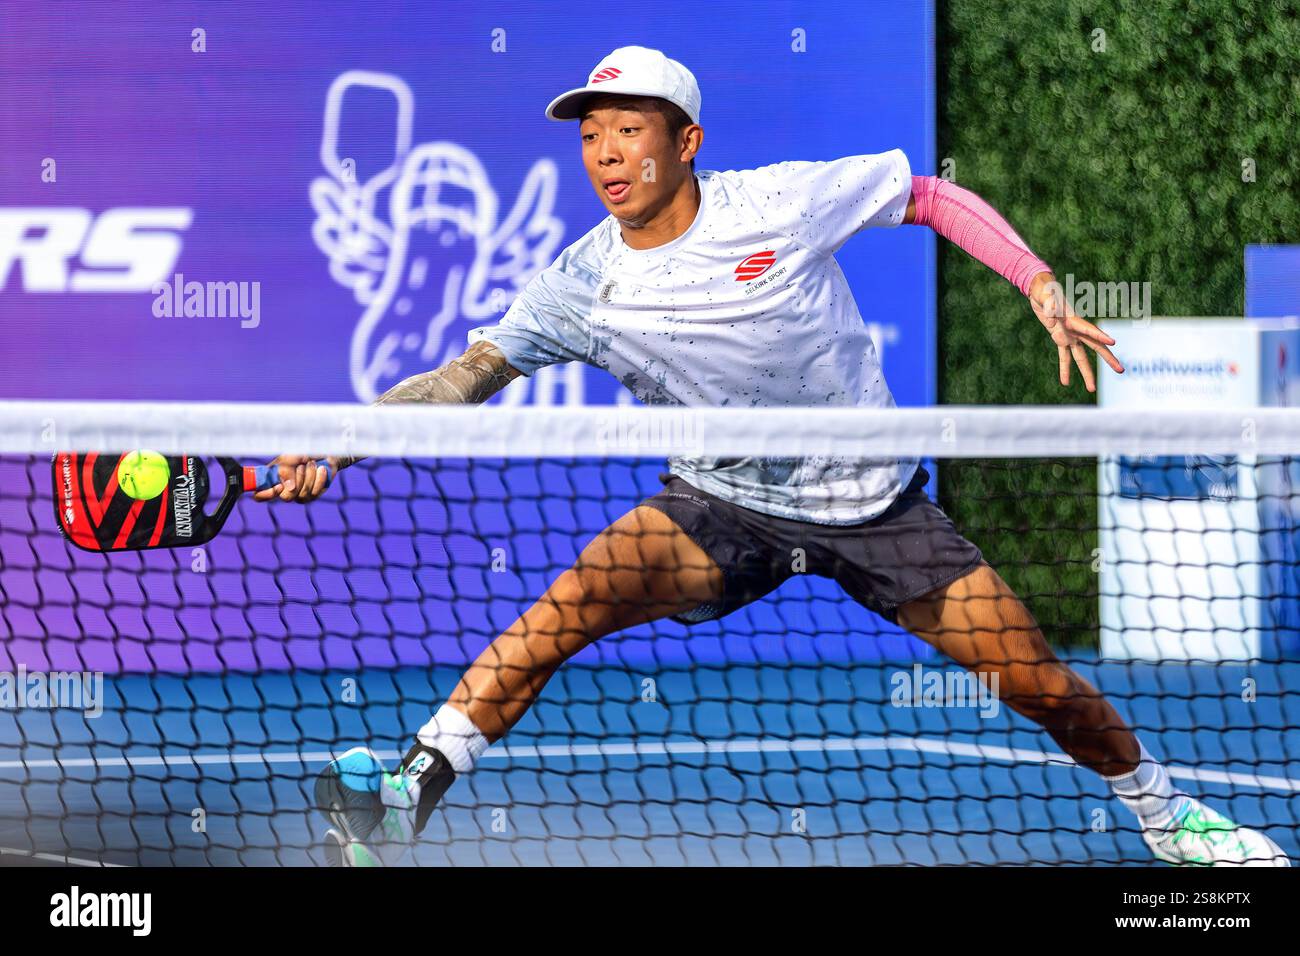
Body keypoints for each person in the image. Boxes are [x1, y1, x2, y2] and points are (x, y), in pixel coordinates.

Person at [262, 46, 1289, 867]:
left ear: (686, 140)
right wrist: (339, 447)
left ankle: (1165, 815)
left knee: (1040, 684)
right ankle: (411, 786)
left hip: (875, 505)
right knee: (569, 601)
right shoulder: (579, 283)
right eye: (590, 135)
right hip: (719, 504)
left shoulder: (778, 206)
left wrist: (1035, 281)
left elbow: (925, 194)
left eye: (628, 130)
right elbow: (461, 377)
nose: (605, 154)